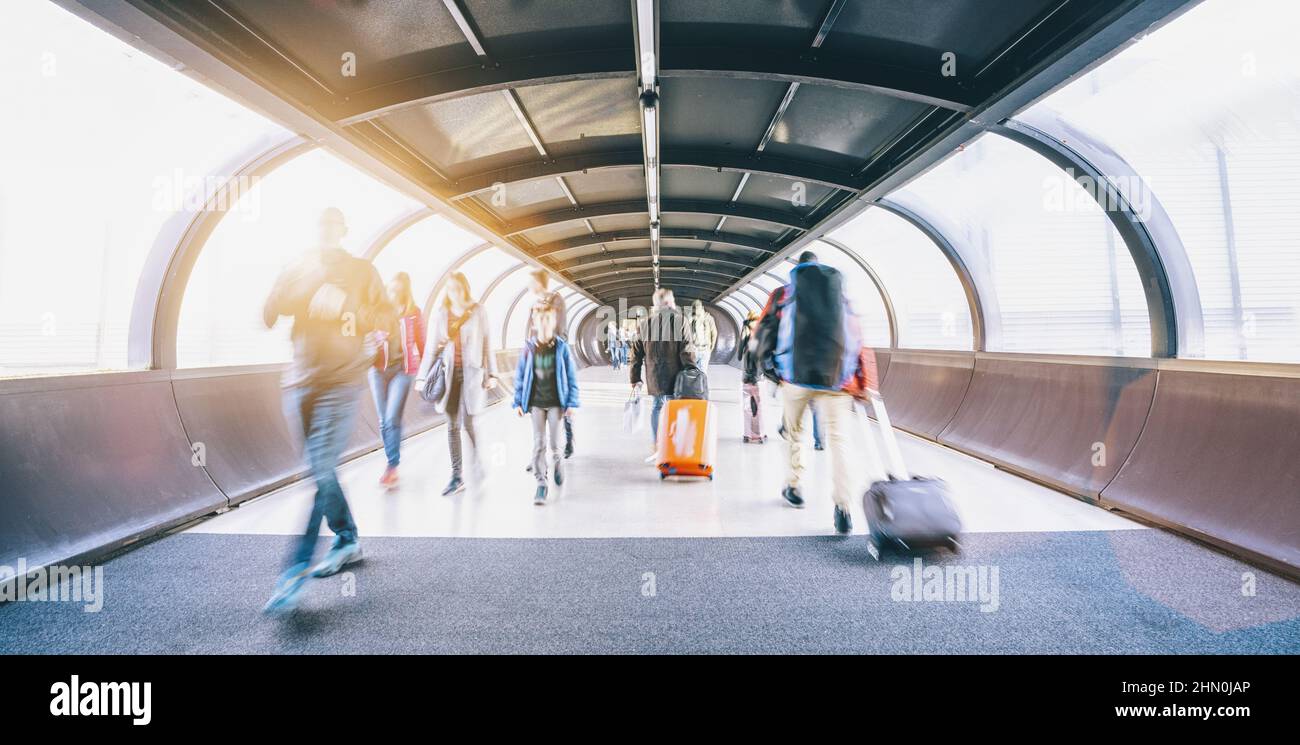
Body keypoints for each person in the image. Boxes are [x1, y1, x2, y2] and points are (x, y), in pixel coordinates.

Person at [261, 207, 392, 614]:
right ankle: (347, 537)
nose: (326, 233)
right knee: (322, 469)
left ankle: (294, 570)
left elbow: (386, 316)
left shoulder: (361, 271)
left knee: (319, 467)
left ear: (343, 231)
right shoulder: (296, 267)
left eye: (333, 226)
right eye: (320, 226)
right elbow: (268, 315)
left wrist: (345, 306)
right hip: (300, 382)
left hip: (343, 381)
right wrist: (293, 288)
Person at [754, 250, 862, 535]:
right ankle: (844, 506)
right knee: (839, 441)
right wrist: (857, 377)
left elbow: (762, 332)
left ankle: (793, 485)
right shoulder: (838, 292)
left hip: (796, 377)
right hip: (836, 377)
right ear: (819, 265)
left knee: (794, 432)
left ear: (797, 267)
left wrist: (773, 373)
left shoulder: (783, 292)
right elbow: (856, 333)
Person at [416, 271, 498, 496]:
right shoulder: (441, 314)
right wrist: (422, 378)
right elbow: (431, 348)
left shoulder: (479, 311)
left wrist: (492, 374)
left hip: (472, 374)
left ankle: (477, 460)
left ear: (465, 288)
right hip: (448, 375)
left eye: (458, 288)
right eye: (450, 289)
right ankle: (456, 476)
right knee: (452, 425)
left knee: (469, 423)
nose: (454, 293)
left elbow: (487, 342)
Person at [512, 306, 581, 505]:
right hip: (535, 404)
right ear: (534, 323)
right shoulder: (529, 348)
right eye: (539, 321)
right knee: (539, 443)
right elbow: (520, 376)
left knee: (554, 445)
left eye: (547, 321)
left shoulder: (561, 348)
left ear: (552, 324)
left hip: (555, 403)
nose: (543, 324)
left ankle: (558, 464)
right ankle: (541, 484)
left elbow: (571, 377)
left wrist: (571, 403)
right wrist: (517, 402)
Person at [368, 272, 424, 489]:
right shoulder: (377, 310)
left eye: (398, 290)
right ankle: (391, 464)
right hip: (377, 369)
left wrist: (424, 374)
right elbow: (363, 334)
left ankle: (392, 466)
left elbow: (423, 342)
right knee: (384, 420)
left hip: (404, 370)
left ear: (404, 291)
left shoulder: (413, 313)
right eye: (391, 289)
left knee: (392, 417)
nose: (393, 293)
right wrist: (375, 338)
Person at [629, 287, 695, 463]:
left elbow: (636, 353)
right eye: (672, 300)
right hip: (676, 374)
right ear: (668, 303)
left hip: (655, 374)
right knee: (676, 407)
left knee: (657, 406)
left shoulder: (644, 323)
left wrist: (635, 377)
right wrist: (692, 370)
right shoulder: (681, 320)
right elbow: (686, 349)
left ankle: (658, 445)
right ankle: (675, 446)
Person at [524, 269, 575, 458]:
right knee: (536, 405)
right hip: (537, 356)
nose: (528, 286)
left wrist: (554, 349)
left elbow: (561, 328)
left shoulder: (556, 300)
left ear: (539, 282)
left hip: (556, 355)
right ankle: (538, 452)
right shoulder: (533, 304)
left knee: (560, 397)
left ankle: (568, 441)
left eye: (531, 282)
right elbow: (530, 331)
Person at [686, 299, 718, 366]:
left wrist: (712, 346)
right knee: (692, 372)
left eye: (698, 306)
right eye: (694, 307)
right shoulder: (689, 318)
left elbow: (714, 332)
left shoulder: (708, 318)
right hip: (693, 349)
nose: (696, 308)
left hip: (705, 349)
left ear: (702, 307)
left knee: (703, 372)